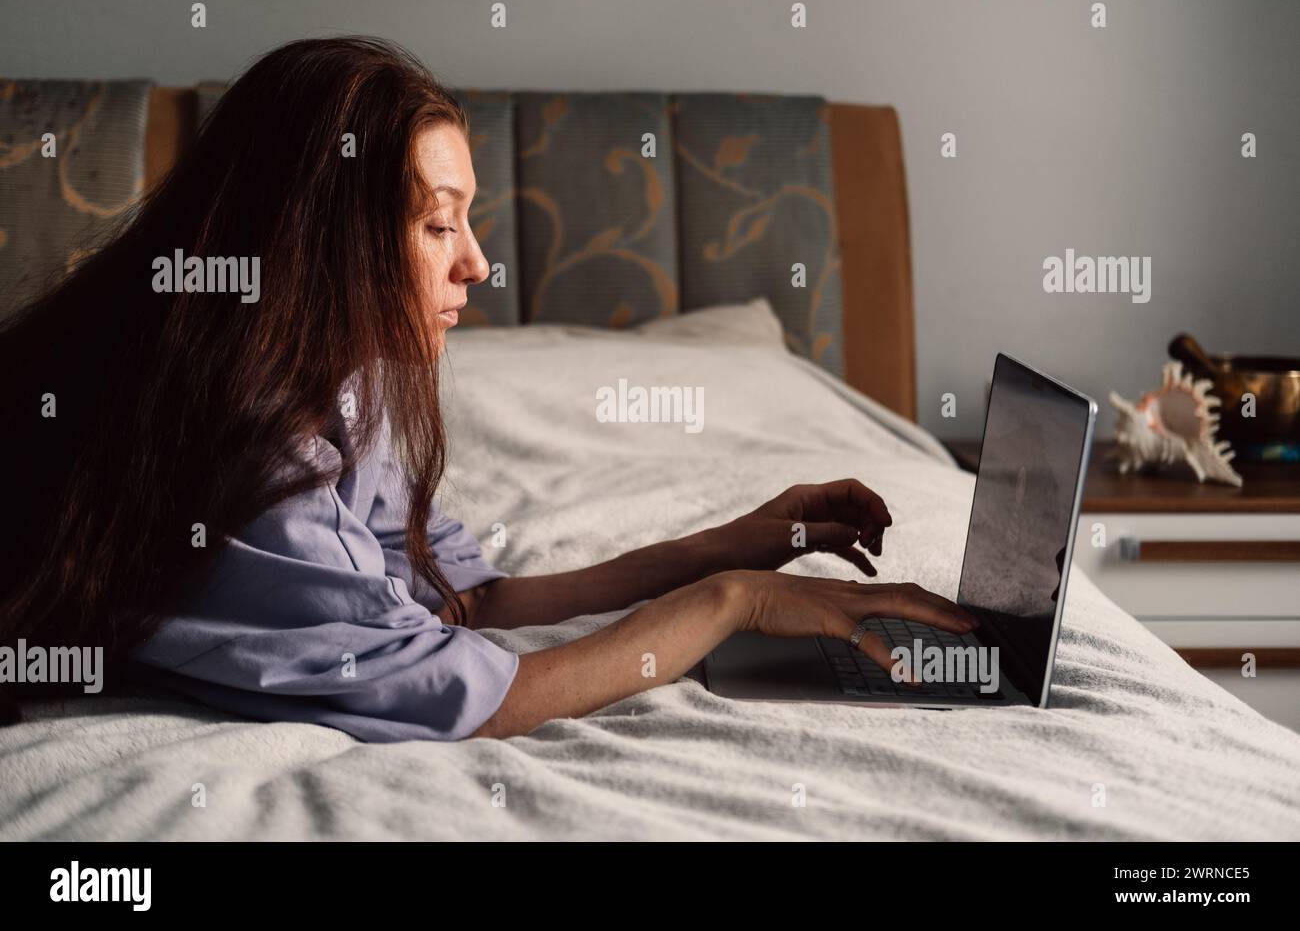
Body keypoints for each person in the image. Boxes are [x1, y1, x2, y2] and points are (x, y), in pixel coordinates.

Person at [0, 37, 975, 742]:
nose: (476, 263)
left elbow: (462, 601)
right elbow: (478, 691)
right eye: (437, 225)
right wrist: (734, 600)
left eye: (470, 221)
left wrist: (736, 541)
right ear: (324, 238)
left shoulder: (351, 382)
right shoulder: (251, 439)